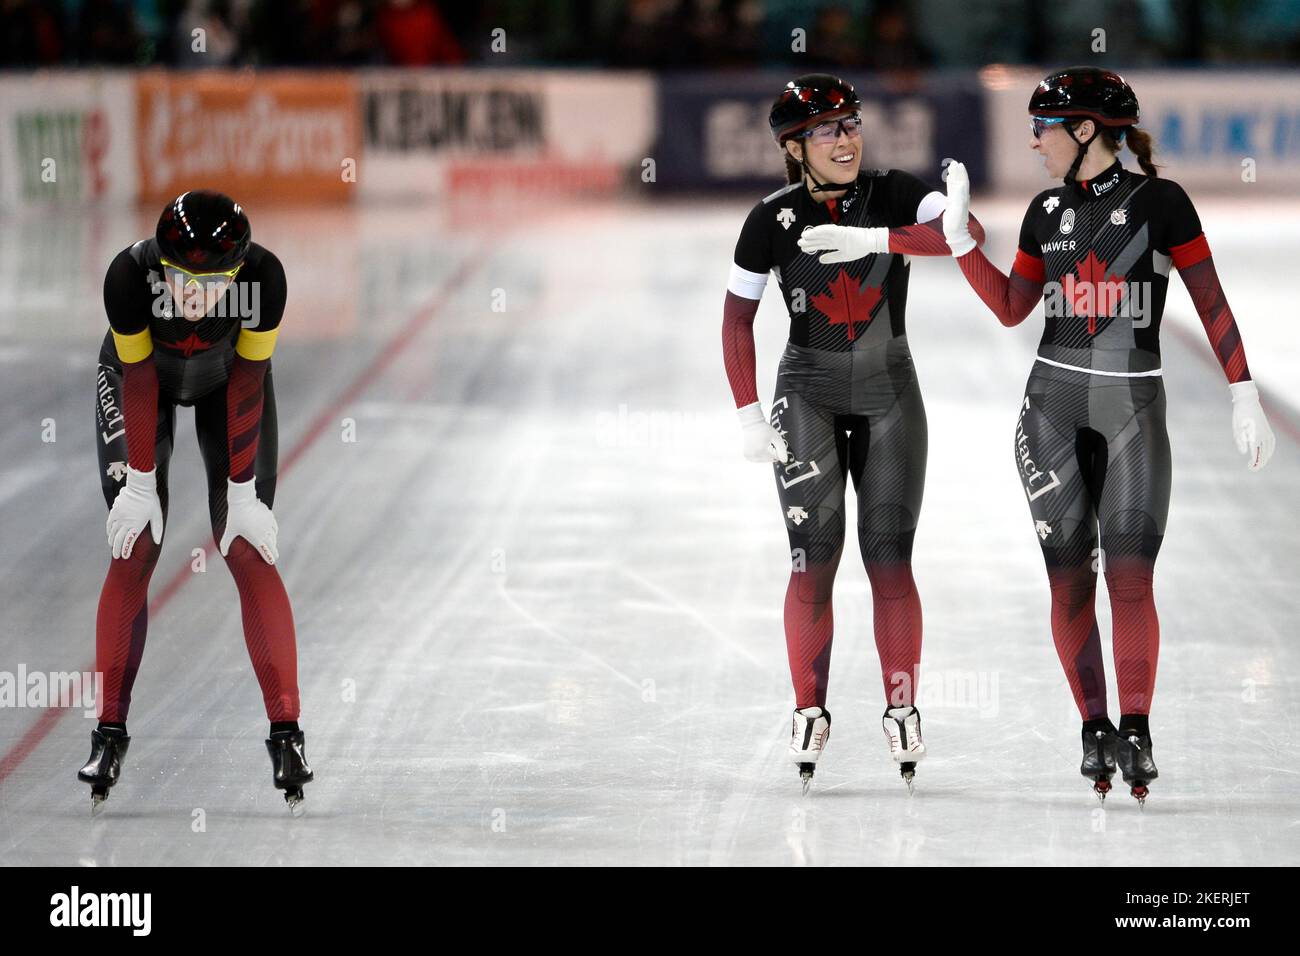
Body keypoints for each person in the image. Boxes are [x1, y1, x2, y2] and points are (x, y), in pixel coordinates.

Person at [937, 67, 1276, 804]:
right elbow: (1009, 308)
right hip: (1051, 408)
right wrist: (962, 240)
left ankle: (1138, 728)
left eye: (1044, 127)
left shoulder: (1162, 202)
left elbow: (1210, 302)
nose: (1034, 141)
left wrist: (1243, 391)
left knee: (1129, 576)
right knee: (1068, 580)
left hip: (1133, 411)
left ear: (1086, 129)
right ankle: (1093, 727)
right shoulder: (1043, 210)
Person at [722, 74, 985, 792]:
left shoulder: (894, 191)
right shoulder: (770, 219)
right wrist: (748, 410)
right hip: (805, 396)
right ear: (794, 146)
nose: (846, 139)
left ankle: (902, 709)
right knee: (814, 558)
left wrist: (899, 230)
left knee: (889, 557)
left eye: (851, 124)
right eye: (828, 130)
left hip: (889, 395)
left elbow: (965, 237)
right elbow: (735, 320)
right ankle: (810, 709)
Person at [79, 190, 314, 814]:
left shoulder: (265, 279)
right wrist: (137, 483)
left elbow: (246, 376)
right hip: (138, 380)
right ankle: (108, 732)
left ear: (238, 275)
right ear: (161, 265)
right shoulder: (129, 277)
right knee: (137, 546)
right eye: (180, 278)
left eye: (210, 282)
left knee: (245, 546)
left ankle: (286, 733)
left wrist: (242, 492)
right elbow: (140, 377)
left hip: (226, 384)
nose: (191, 294)